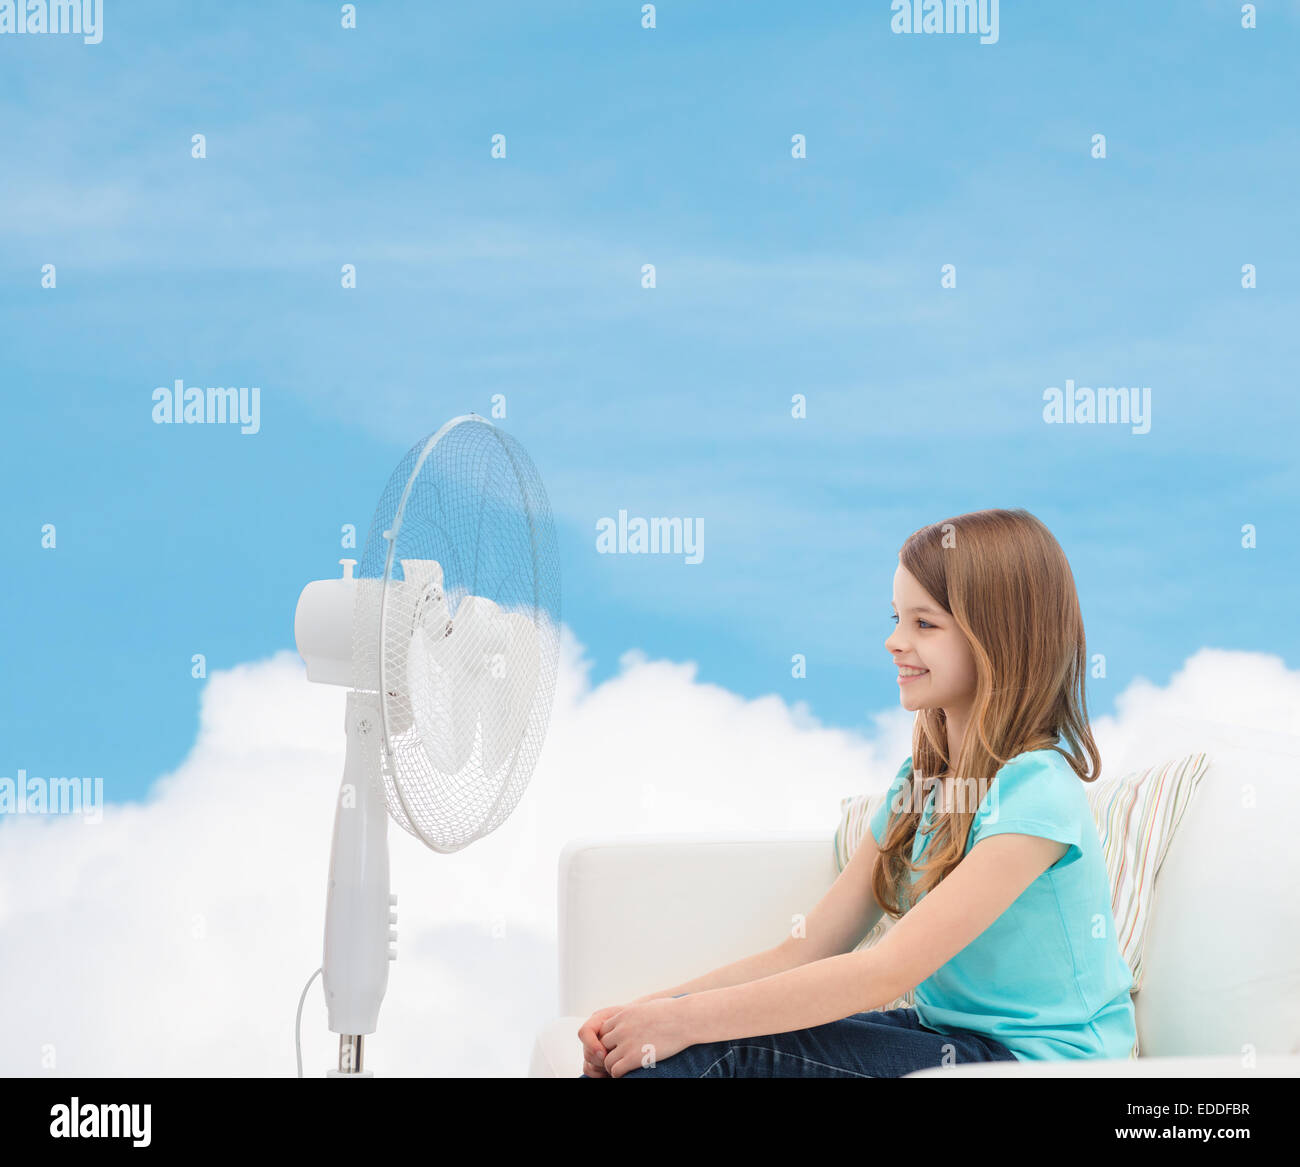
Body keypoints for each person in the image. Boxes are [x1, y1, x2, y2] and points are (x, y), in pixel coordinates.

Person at [578, 507, 1136, 1077]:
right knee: (671, 1049)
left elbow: (887, 971)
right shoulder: (920, 787)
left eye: (925, 624)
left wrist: (682, 1024)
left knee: (716, 1050)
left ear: (999, 637)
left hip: (1032, 1062)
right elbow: (803, 950)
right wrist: (648, 1013)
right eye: (897, 618)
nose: (894, 641)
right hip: (943, 1035)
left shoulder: (1035, 789)